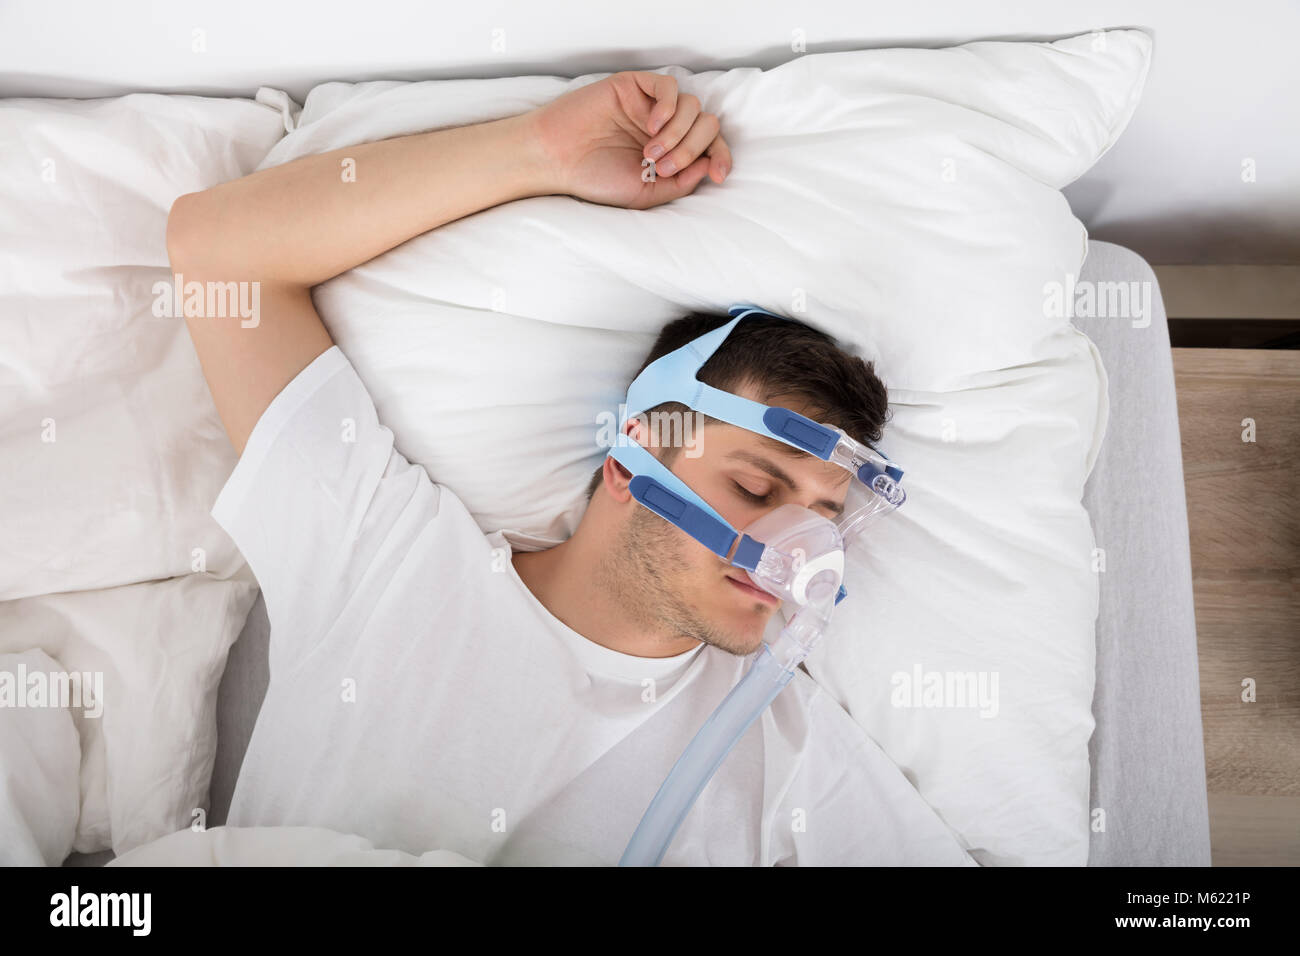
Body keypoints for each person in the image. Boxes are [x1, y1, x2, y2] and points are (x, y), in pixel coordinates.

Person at [167, 70, 975, 866]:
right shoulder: (383, 563)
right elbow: (219, 254)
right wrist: (538, 150)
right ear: (632, 458)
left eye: (822, 516)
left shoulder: (790, 758)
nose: (793, 549)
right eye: (755, 488)